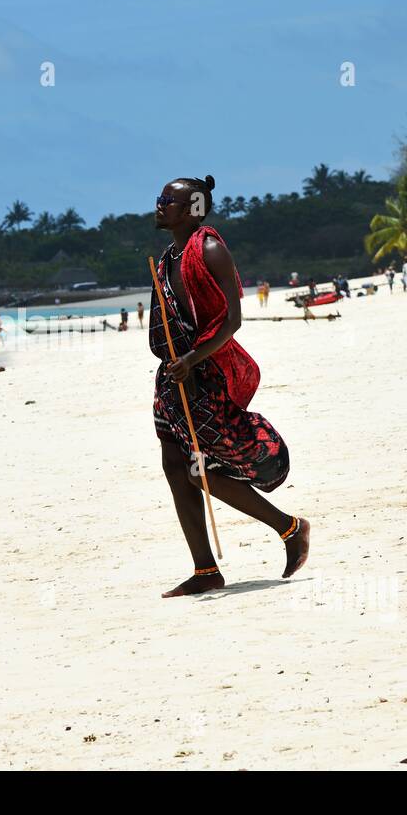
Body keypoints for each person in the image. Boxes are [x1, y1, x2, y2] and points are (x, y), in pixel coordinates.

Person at [151, 174, 309, 598]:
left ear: (193, 209)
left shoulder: (211, 250)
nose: (160, 204)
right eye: (161, 197)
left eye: (170, 200)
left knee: (201, 470)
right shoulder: (166, 258)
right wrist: (171, 362)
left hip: (206, 375)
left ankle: (289, 528)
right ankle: (205, 569)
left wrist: (191, 360)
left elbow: (230, 321)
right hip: (174, 376)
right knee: (173, 466)